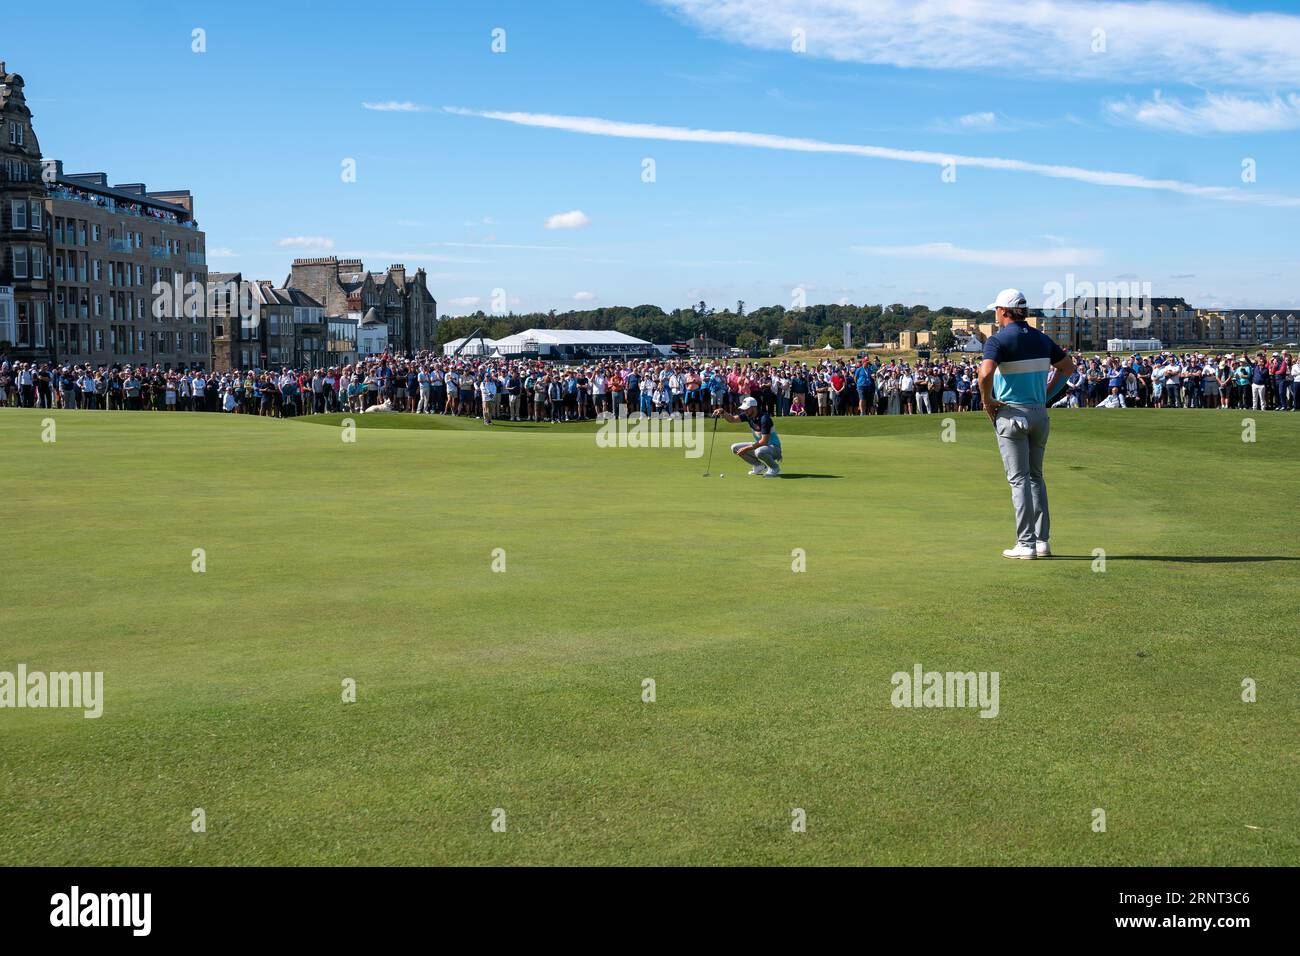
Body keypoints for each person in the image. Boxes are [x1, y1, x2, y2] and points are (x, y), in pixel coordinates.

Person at [977, 288, 1075, 560]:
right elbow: (1068, 368)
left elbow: (985, 374)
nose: (995, 314)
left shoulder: (997, 341)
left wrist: (987, 401)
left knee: (1018, 480)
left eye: (996, 309)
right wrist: (1046, 395)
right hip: (1039, 415)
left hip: (1011, 414)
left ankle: (1026, 544)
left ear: (1005, 311)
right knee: (1035, 477)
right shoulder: (1042, 339)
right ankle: (1042, 541)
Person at [713, 395, 782, 477]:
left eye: (747, 409)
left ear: (754, 407)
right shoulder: (747, 416)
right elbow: (732, 419)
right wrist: (723, 412)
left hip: (773, 448)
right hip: (761, 446)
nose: (745, 411)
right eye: (744, 409)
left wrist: (746, 448)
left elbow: (764, 441)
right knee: (735, 447)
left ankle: (774, 468)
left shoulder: (764, 419)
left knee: (759, 451)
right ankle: (758, 466)